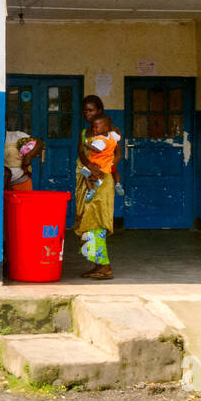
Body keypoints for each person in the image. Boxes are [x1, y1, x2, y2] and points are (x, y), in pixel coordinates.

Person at [74, 95, 121, 280]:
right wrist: (90, 166)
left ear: (99, 111)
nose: (87, 114)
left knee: (97, 220)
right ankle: (97, 264)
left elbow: (118, 154)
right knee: (86, 219)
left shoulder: (111, 132)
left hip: (102, 180)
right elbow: (81, 152)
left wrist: (104, 169)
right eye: (85, 110)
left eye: (91, 110)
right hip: (86, 178)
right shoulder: (85, 133)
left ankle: (104, 266)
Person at [79, 114, 121, 202]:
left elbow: (97, 149)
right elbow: (119, 137)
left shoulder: (100, 140)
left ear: (105, 128)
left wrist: (88, 145)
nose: (94, 129)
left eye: (96, 127)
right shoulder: (112, 135)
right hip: (108, 161)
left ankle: (91, 190)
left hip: (98, 162)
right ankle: (118, 183)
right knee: (115, 171)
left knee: (85, 174)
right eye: (93, 127)